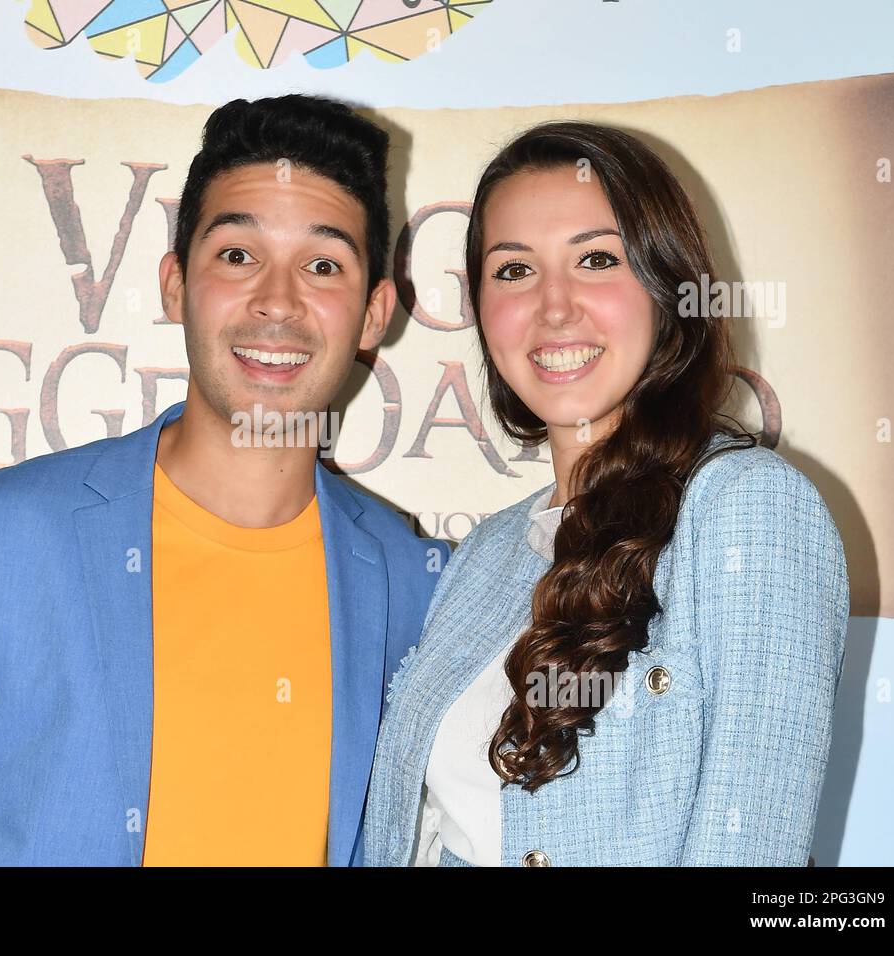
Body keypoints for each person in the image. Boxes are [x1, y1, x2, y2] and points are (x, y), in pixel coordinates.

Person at [0, 94, 448, 866]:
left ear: (376, 313)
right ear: (176, 284)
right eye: (238, 255)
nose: (277, 302)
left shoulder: (412, 582)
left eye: (322, 265)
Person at [364, 121, 850, 867]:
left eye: (596, 260)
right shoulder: (485, 554)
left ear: (667, 287)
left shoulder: (746, 509)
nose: (555, 308)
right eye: (514, 270)